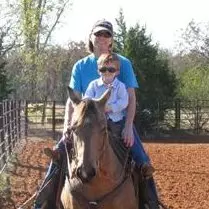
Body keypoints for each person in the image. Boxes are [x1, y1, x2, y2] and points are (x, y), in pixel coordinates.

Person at [33, 19, 159, 209]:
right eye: (98, 34)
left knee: (141, 159)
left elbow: (131, 98)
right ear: (91, 38)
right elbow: (72, 99)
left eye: (106, 35)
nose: (102, 38)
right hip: (86, 124)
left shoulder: (122, 63)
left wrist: (128, 126)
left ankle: (151, 202)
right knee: (59, 155)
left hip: (117, 121)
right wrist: (67, 126)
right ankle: (43, 201)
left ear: (111, 40)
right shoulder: (80, 66)